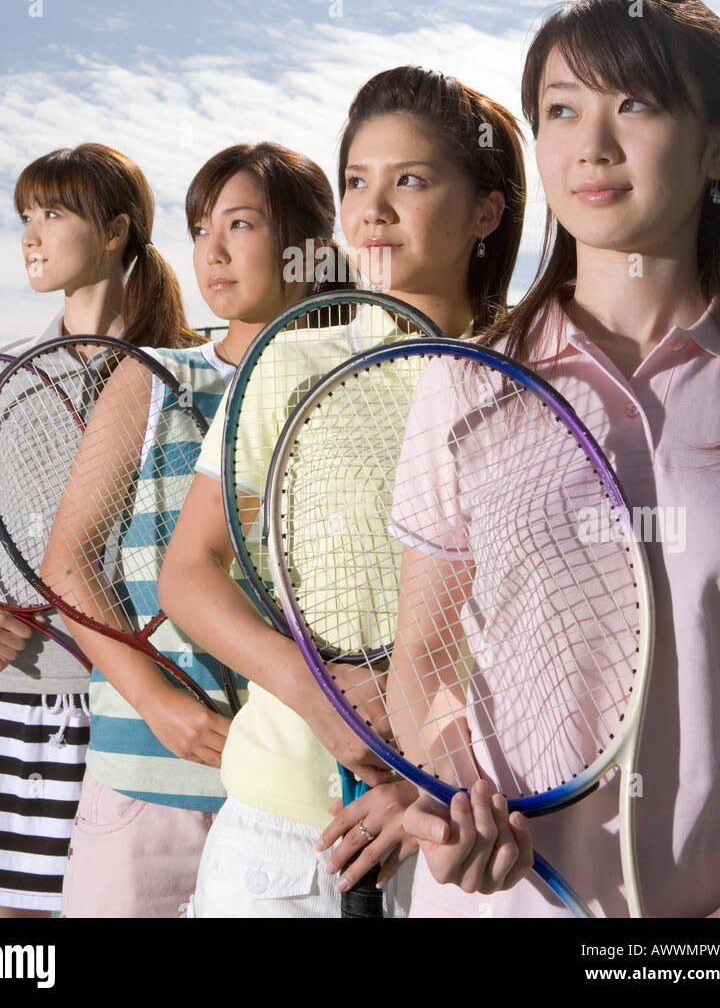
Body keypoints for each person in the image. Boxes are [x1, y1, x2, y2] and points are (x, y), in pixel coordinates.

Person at [400, 0, 720, 918]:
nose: (591, 147)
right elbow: (425, 663)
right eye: (561, 110)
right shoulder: (466, 379)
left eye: (634, 104)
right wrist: (452, 782)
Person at [160, 66, 526, 917]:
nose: (374, 208)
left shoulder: (532, 379)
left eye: (412, 180)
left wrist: (433, 786)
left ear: (487, 211)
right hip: (285, 838)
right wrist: (314, 691)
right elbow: (192, 572)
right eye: (358, 180)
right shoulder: (291, 359)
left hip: (462, 842)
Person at [60, 141, 346, 918]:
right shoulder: (152, 375)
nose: (212, 252)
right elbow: (68, 562)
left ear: (310, 250)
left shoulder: (352, 384)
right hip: (154, 774)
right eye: (199, 228)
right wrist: (158, 703)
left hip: (293, 792)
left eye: (241, 225)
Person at [0, 142, 190, 917]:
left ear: (114, 232)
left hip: (134, 696)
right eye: (25, 216)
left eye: (54, 213)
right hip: (10, 696)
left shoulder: (176, 373)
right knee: (2, 953)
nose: (30, 234)